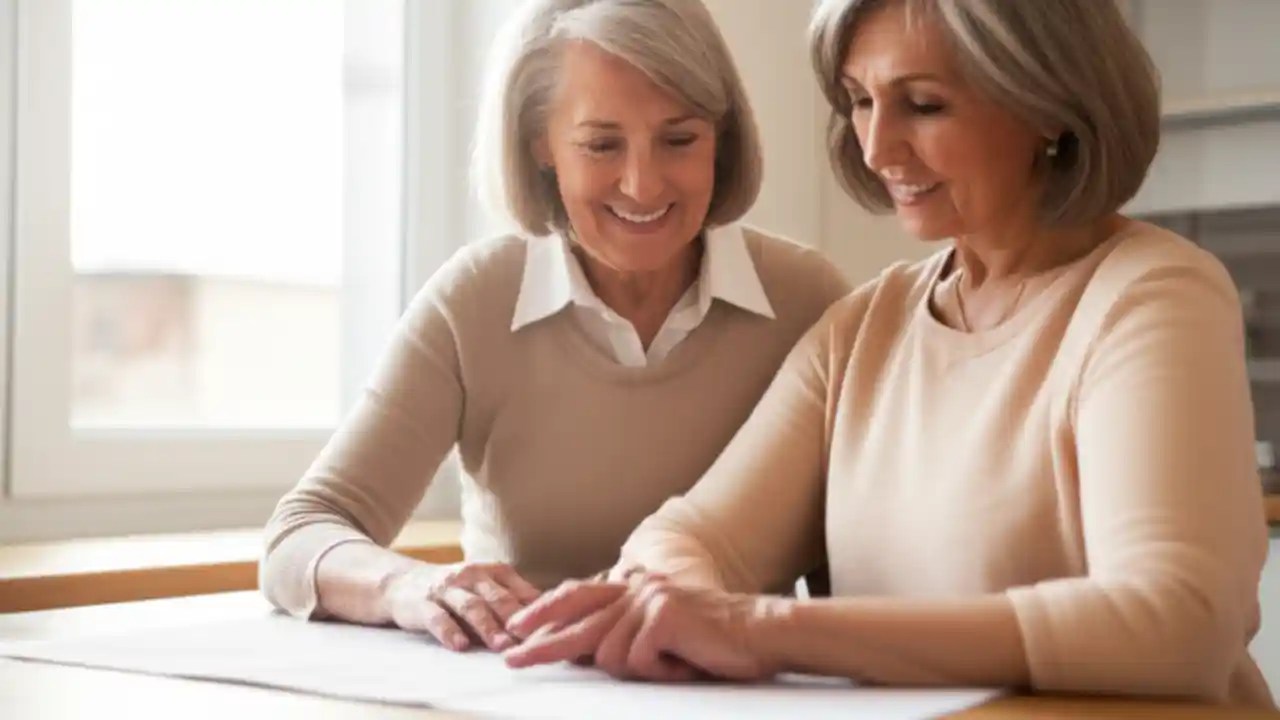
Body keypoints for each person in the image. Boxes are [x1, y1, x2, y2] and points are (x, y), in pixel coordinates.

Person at [503, 0, 1275, 707]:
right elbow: (685, 539)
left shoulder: (1152, 296)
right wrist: (671, 606)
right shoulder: (864, 327)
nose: (876, 147)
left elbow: (1177, 620)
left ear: (1049, 105)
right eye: (861, 101)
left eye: (923, 105)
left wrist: (759, 630)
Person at [259, 0, 851, 655]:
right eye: (602, 144)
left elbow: (849, 568)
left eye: (679, 139)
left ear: (721, 138)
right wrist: (408, 587)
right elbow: (301, 533)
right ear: (541, 145)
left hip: (737, 696)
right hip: (518, 688)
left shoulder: (808, 302)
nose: (642, 182)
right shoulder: (476, 301)